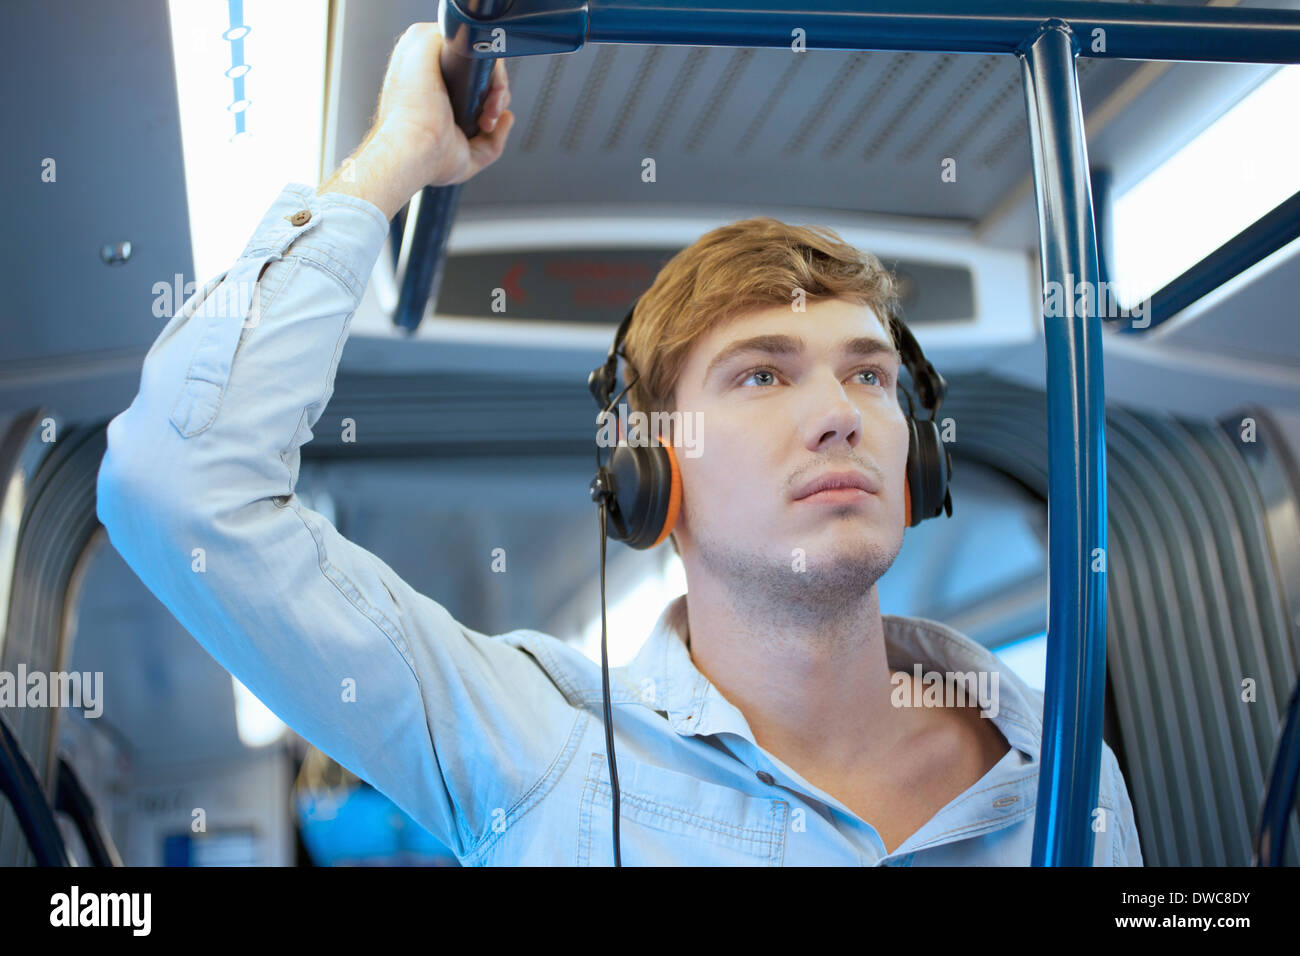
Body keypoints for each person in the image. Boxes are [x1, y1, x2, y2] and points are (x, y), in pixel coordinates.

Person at [97, 23, 1142, 865]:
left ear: (919, 465)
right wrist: (391, 161)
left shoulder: (1064, 774)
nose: (840, 411)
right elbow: (179, 485)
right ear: (648, 472)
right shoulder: (535, 746)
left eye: (867, 372)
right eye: (762, 374)